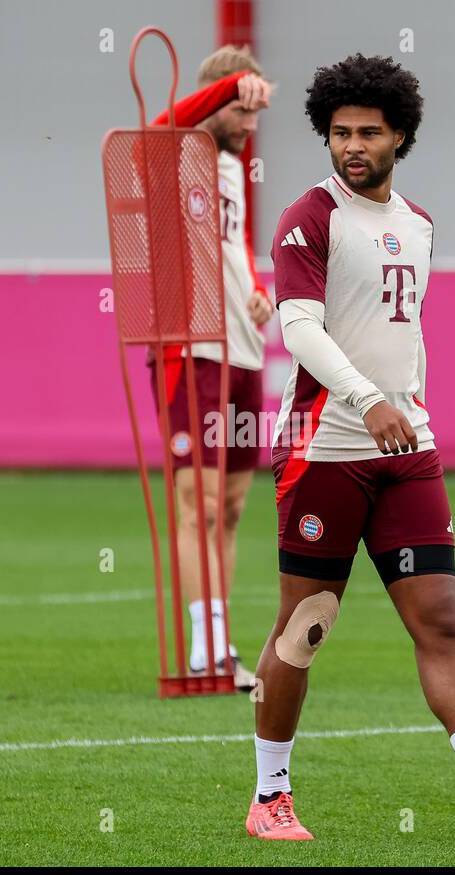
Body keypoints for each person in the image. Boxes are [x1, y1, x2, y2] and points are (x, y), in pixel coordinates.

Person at [245, 54, 455, 840]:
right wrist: (365, 400)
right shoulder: (308, 217)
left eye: (368, 132)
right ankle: (269, 798)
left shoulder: (419, 224)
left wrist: (407, 408)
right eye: (338, 132)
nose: (351, 145)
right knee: (307, 626)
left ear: (401, 135)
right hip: (327, 449)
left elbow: (403, 334)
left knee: (442, 620)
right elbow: (298, 328)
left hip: (409, 449)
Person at [146, 47, 275, 691]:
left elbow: (236, 244)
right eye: (242, 108)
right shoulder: (175, 157)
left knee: (228, 507)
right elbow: (166, 119)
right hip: (188, 345)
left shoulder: (230, 167)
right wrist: (230, 85)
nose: (252, 122)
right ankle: (207, 648)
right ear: (216, 100)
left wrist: (255, 290)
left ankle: (219, 646)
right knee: (194, 501)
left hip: (243, 347)